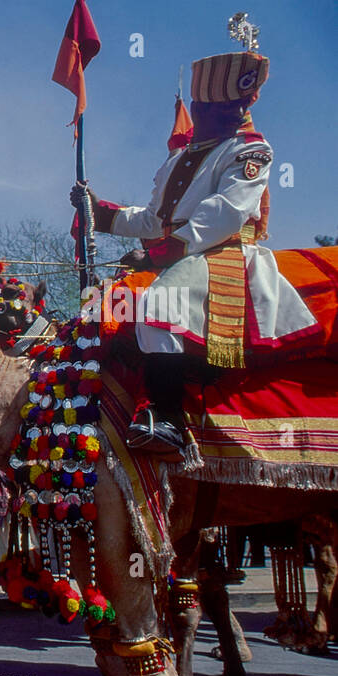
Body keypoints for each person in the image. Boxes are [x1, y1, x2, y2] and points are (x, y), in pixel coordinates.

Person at [73, 44, 310, 458]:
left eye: (233, 109)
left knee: (163, 300)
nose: (229, 117)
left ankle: (167, 420)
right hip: (180, 252)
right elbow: (151, 220)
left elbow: (224, 215)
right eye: (215, 109)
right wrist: (99, 210)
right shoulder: (178, 159)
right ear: (200, 107)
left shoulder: (250, 150)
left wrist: (157, 254)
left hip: (223, 252)